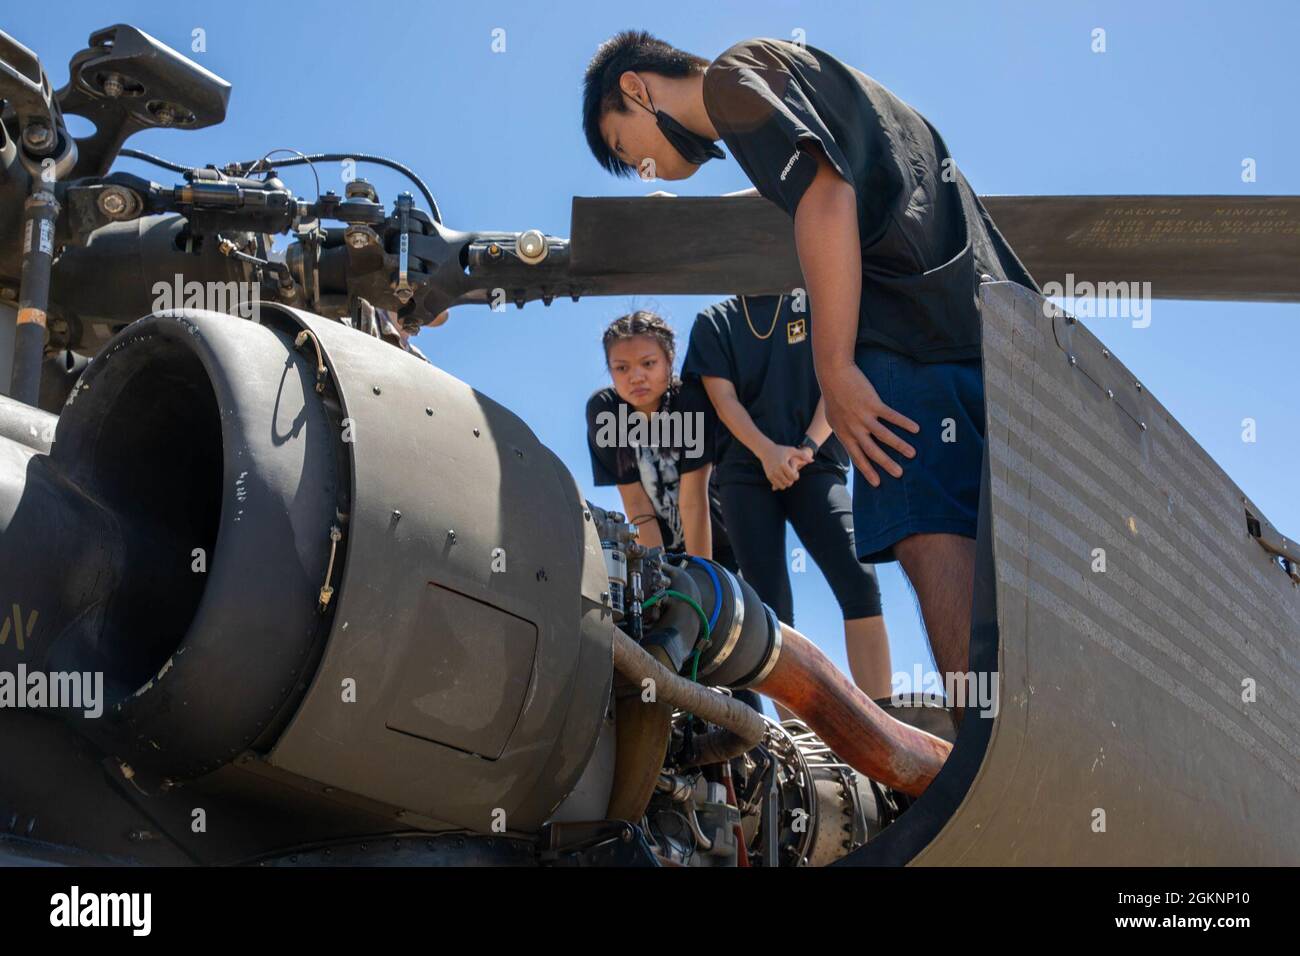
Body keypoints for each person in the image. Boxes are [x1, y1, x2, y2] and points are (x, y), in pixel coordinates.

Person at [580, 32, 1038, 721]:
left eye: (624, 146)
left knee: (931, 535)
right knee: (1008, 576)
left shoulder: (736, 78)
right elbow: (824, 179)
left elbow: (825, 196)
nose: (639, 167)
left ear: (638, 89)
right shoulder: (775, 83)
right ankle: (1020, 746)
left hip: (906, 343)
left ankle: (988, 757)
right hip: (981, 331)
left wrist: (837, 367)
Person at [683, 293, 891, 702]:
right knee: (771, 606)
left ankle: (884, 720)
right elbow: (724, 402)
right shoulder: (713, 322)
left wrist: (808, 447)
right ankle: (796, 738)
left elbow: (839, 375)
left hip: (815, 460)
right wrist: (767, 452)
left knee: (859, 575)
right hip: (745, 473)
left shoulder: (816, 304)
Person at [586, 309, 736, 572]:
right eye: (622, 368)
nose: (636, 377)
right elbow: (636, 503)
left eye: (648, 363)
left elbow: (693, 500)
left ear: (669, 360)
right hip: (662, 547)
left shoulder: (690, 401)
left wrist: (702, 578)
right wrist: (661, 574)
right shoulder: (605, 412)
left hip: (719, 546)